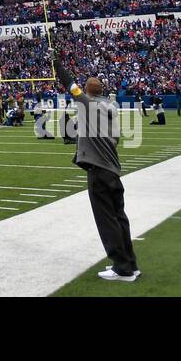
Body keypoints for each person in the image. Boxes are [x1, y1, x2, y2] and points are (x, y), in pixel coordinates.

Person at [57, 64, 139, 282]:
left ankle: (121, 267)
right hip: (112, 169)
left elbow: (70, 84)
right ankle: (130, 262)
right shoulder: (109, 107)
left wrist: (56, 63)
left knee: (107, 220)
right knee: (120, 218)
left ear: (87, 91)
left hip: (98, 170)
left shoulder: (89, 106)